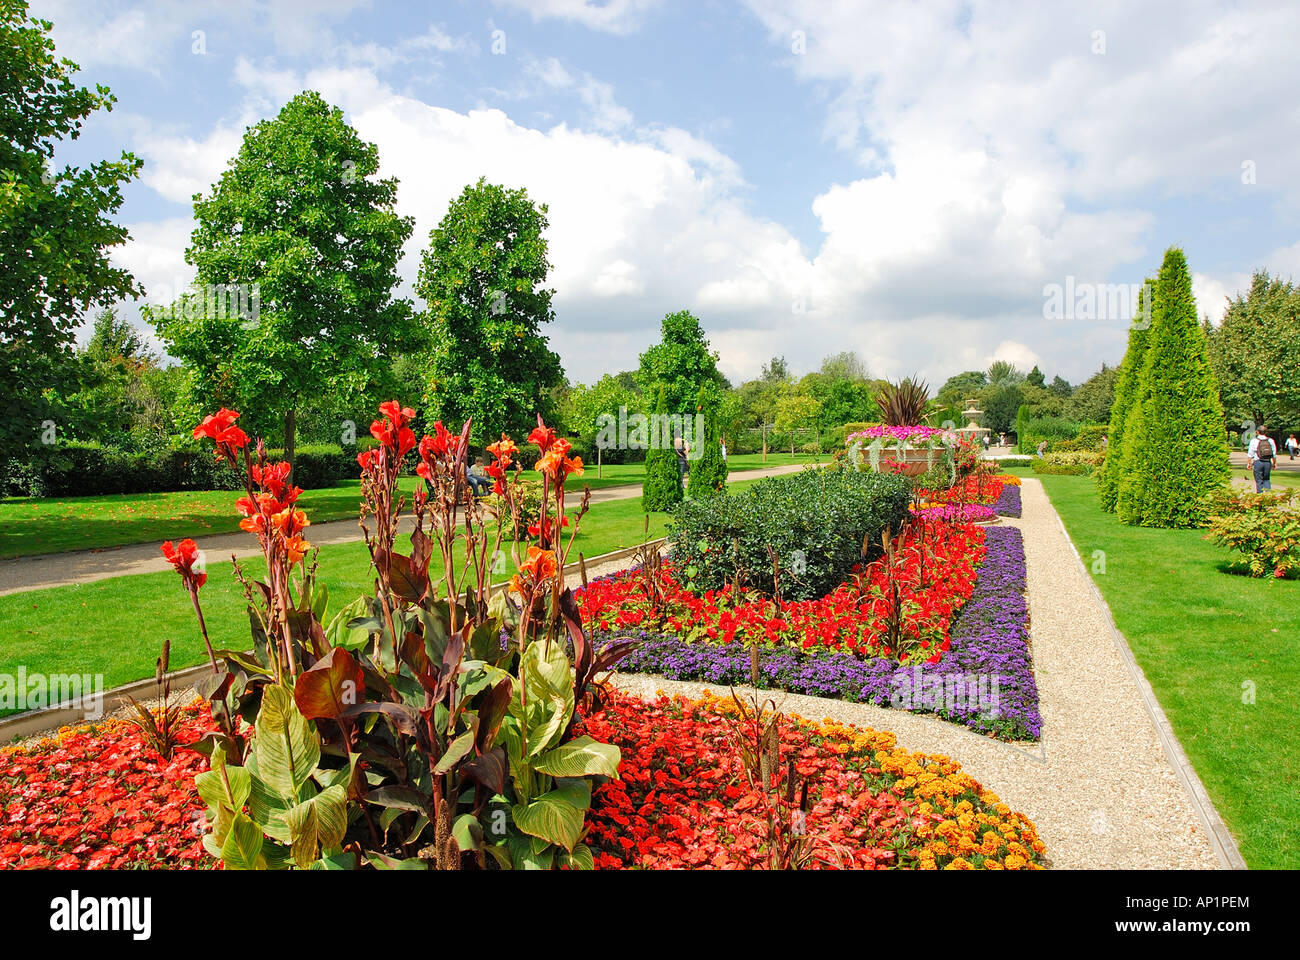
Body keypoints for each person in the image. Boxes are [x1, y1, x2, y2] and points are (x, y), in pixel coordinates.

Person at [1247, 426, 1275, 493]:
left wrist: (1249, 463)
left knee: (1259, 481)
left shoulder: (1254, 441)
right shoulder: (1270, 440)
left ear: (1258, 432)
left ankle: (1260, 497)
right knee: (1267, 479)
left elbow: (1250, 454)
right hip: (1267, 462)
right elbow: (1274, 453)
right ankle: (1268, 496)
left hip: (1258, 462)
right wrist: (1274, 463)